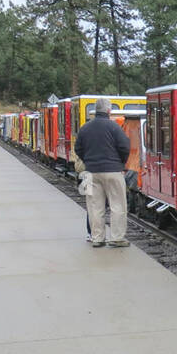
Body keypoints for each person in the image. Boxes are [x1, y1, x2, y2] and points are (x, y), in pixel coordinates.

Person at [74, 97, 130, 248]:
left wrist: (88, 160)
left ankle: (97, 238)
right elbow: (125, 146)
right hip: (113, 171)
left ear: (95, 110)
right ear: (109, 110)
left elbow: (77, 148)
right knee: (117, 205)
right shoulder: (114, 127)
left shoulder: (85, 128)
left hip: (91, 172)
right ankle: (117, 238)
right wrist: (120, 163)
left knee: (94, 206)